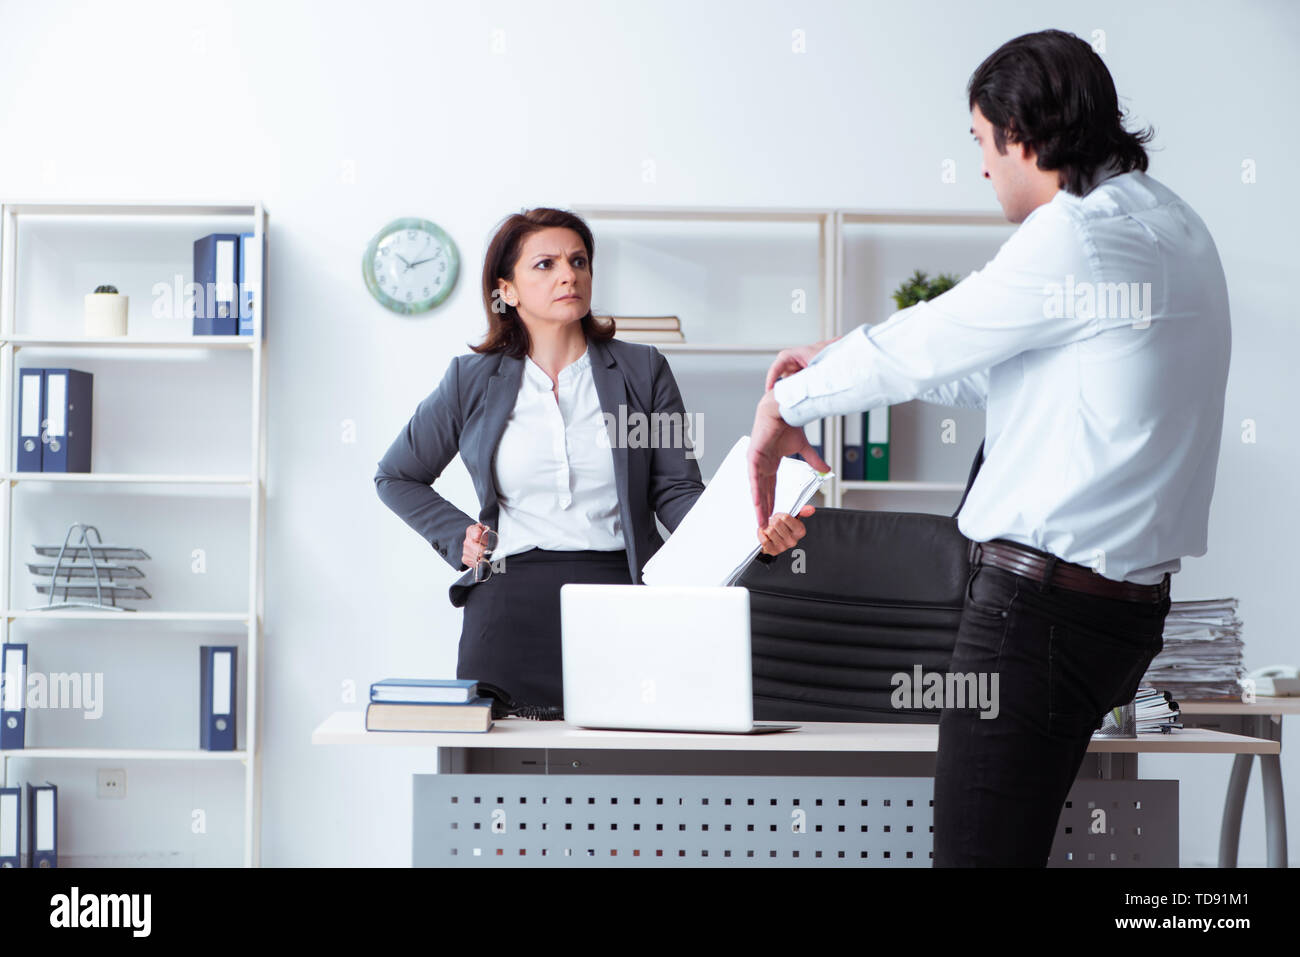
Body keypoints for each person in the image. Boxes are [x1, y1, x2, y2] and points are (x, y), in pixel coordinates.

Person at [748, 29, 1230, 866]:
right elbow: (994, 371)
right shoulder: (1175, 228)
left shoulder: (1072, 236)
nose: (980, 166)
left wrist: (786, 405)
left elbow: (929, 341)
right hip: (1120, 618)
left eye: (981, 141)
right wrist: (831, 361)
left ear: (1026, 137)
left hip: (1034, 618)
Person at [375, 207, 813, 710]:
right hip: (506, 605)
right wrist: (460, 538)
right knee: (496, 776)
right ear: (507, 289)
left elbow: (674, 492)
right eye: (545, 264)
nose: (569, 274)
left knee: (623, 773)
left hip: (621, 598)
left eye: (579, 261)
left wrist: (750, 529)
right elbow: (397, 475)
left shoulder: (642, 370)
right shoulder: (470, 379)